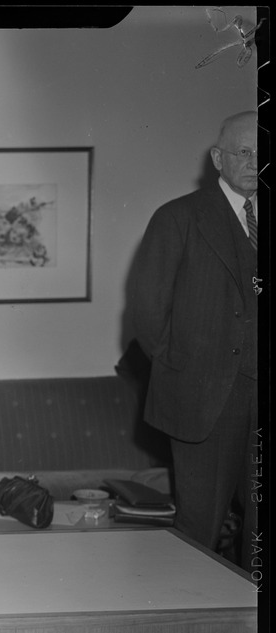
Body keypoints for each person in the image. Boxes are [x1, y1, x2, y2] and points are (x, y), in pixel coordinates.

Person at [131, 110, 259, 568]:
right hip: (204, 402)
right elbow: (147, 314)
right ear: (218, 158)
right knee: (200, 531)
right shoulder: (179, 218)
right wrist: (188, 372)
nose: (253, 163)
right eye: (244, 152)